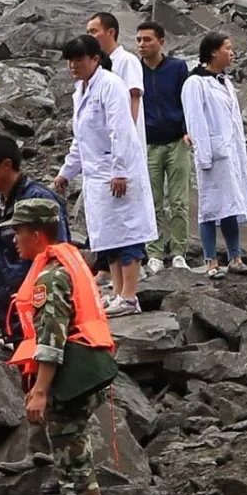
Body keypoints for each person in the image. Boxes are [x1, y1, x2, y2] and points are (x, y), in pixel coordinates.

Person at [4, 198, 117, 495]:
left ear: (37, 235)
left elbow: (51, 340)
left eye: (18, 232)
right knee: (74, 454)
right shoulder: (69, 264)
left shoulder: (49, 278)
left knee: (74, 465)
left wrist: (40, 390)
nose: (14, 239)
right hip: (88, 366)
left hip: (69, 378)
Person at [54, 35, 157, 317]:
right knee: (109, 237)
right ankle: (117, 293)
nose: (73, 65)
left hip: (116, 171)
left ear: (95, 59)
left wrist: (120, 171)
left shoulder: (110, 86)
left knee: (128, 233)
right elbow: (81, 139)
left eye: (79, 59)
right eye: (70, 60)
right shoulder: (81, 91)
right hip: (97, 175)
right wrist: (66, 172)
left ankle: (130, 295)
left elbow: (120, 130)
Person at [0, 134, 69, 346]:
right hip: (13, 316)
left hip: (40, 315)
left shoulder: (40, 202)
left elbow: (57, 255)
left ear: (6, 165)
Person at [182, 32, 247, 278]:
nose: (232, 52)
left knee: (231, 204)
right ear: (214, 52)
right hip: (212, 154)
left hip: (230, 152)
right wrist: (204, 155)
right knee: (210, 206)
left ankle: (235, 257)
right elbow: (195, 120)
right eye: (227, 48)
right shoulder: (196, 82)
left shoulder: (224, 81)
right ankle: (211, 261)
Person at [136, 22, 192, 273]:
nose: (142, 45)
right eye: (139, 40)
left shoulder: (177, 68)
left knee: (179, 199)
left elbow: (186, 100)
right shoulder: (135, 70)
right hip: (148, 144)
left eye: (147, 39)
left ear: (161, 41)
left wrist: (187, 129)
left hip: (177, 141)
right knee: (152, 200)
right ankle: (155, 251)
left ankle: (179, 251)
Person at [88, 12, 146, 146]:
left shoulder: (126, 60)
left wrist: (126, 134)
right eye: (88, 32)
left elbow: (134, 96)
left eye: (94, 32)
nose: (90, 37)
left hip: (125, 140)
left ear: (111, 32)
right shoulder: (96, 65)